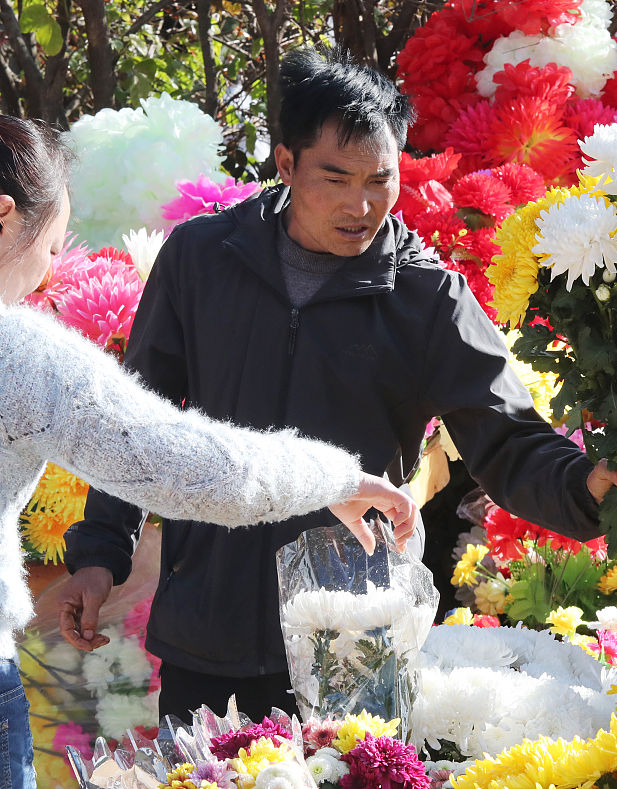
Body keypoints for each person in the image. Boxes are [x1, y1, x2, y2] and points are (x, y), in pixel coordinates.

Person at [59, 47, 617, 722]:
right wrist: (100, 554)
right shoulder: (201, 259)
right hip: (210, 627)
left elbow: (507, 439)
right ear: (286, 164)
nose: (362, 205)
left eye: (382, 180)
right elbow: (136, 420)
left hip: (352, 639)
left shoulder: (427, 297)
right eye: (336, 178)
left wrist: (584, 486)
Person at [0, 115, 420, 789]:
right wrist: (336, 479)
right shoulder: (16, 351)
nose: (50, 269)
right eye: (51, 245)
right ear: (4, 218)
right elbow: (179, 466)